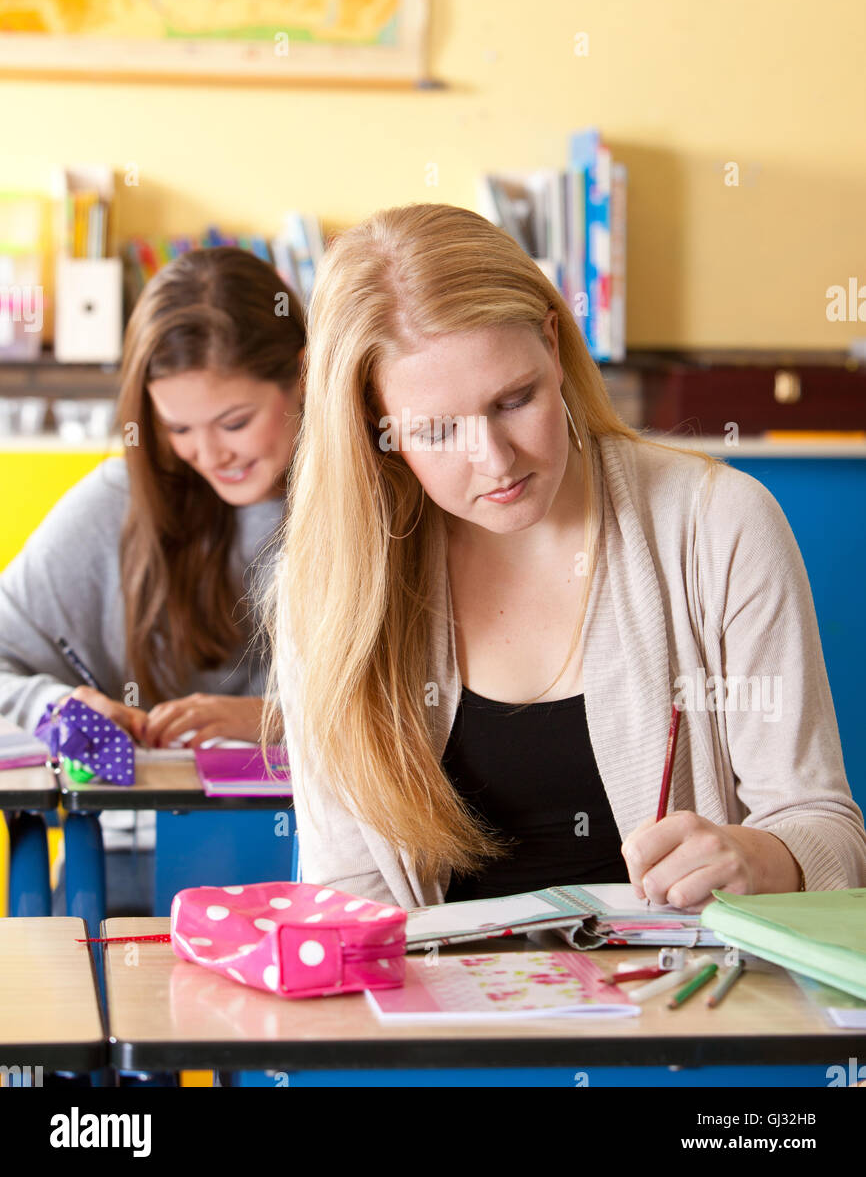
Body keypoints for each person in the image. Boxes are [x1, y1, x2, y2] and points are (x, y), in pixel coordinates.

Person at [264, 202, 866, 912]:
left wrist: (763, 857)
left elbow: (831, 836)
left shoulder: (718, 524)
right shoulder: (332, 587)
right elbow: (347, 896)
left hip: (688, 1006)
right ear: (375, 426)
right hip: (439, 1017)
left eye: (514, 400)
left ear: (553, 344)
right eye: (437, 430)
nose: (494, 459)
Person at [0, 246, 305, 910]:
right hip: (140, 870)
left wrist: (276, 719)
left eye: (235, 422)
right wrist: (55, 708)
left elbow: (443, 704)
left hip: (329, 863)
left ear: (303, 377)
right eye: (178, 429)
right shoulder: (114, 507)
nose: (209, 454)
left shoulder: (381, 506)